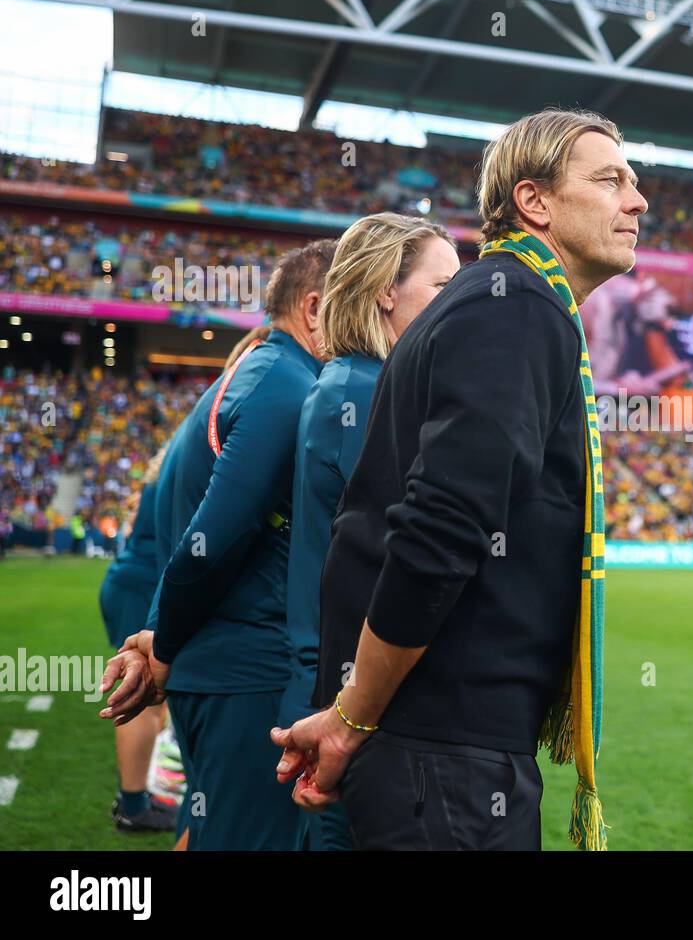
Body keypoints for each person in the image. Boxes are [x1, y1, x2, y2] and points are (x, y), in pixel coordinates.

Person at [272, 108, 647, 851]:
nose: (636, 200)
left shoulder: (500, 303)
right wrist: (353, 718)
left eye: (634, 183)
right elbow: (442, 525)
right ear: (533, 201)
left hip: (442, 742)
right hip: (444, 749)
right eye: (609, 180)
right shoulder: (516, 310)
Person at [100, 239, 336, 850]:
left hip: (223, 664)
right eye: (357, 301)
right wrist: (164, 643)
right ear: (314, 309)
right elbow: (208, 541)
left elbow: (193, 535)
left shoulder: (257, 372)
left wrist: (162, 635)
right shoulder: (284, 385)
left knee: (212, 832)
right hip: (246, 672)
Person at [280, 213, 460, 850]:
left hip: (342, 687)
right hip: (346, 699)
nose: (458, 305)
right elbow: (416, 550)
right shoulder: (363, 389)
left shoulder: (357, 382)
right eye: (443, 288)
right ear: (386, 290)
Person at [97, 446, 176, 833]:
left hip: (135, 580)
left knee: (154, 694)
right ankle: (132, 805)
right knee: (141, 692)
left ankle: (140, 793)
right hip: (142, 584)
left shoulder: (163, 471)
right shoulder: (180, 466)